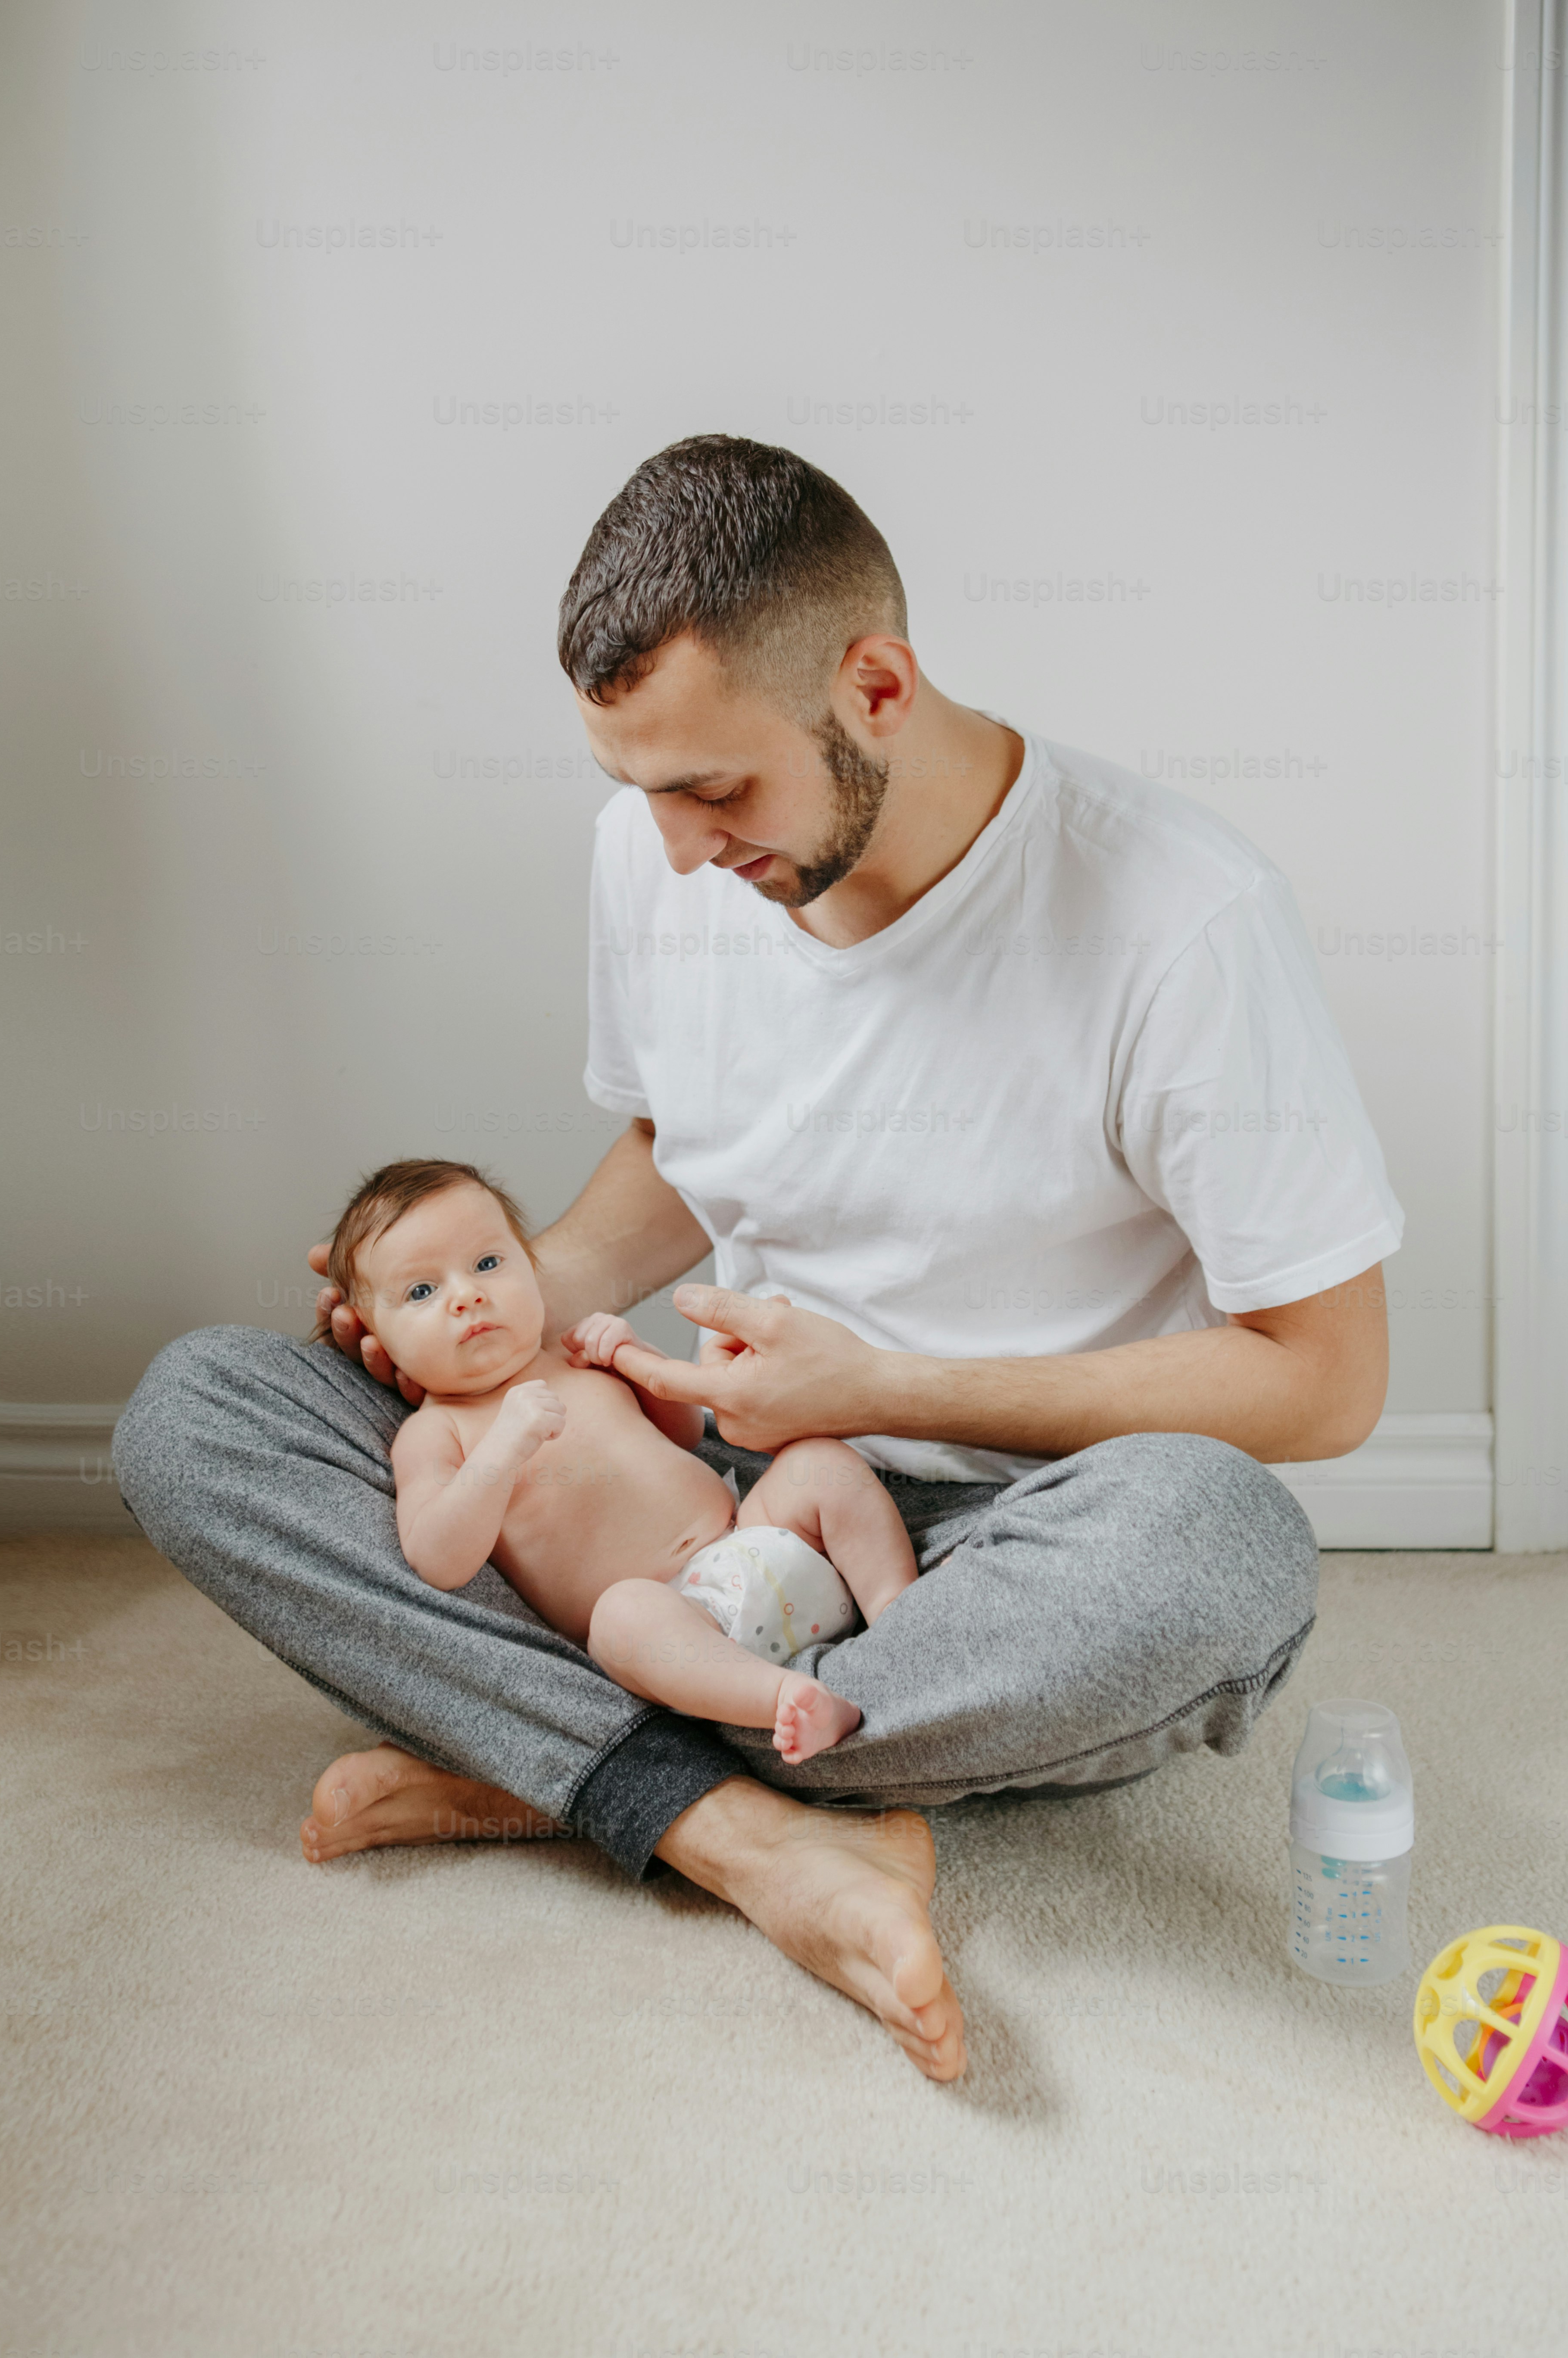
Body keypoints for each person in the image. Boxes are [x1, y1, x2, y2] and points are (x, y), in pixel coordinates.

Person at [113, 435, 1401, 2085]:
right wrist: (501, 1314)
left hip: (999, 1537)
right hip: (690, 1480)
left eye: (715, 791)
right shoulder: (660, 850)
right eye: (636, 791)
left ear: (876, 686)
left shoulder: (1178, 920)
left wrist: (878, 1387)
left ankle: (561, 1758)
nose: (671, 848)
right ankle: (746, 1823)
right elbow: (691, 1144)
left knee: (1215, 1545)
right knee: (200, 1413)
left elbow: (1323, 1381)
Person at [326, 1155, 915, 1761]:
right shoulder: (435, 1432)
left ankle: (902, 1617)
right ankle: (790, 1701)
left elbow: (685, 1433)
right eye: (422, 1291)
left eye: (488, 1264)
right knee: (620, 1619)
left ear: (531, 1266)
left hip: (753, 1533)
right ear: (373, 1332)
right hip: (681, 1624)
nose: (467, 1295)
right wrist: (504, 1446)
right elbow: (438, 1558)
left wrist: (636, 1358)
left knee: (818, 1463)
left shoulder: (575, 1357)